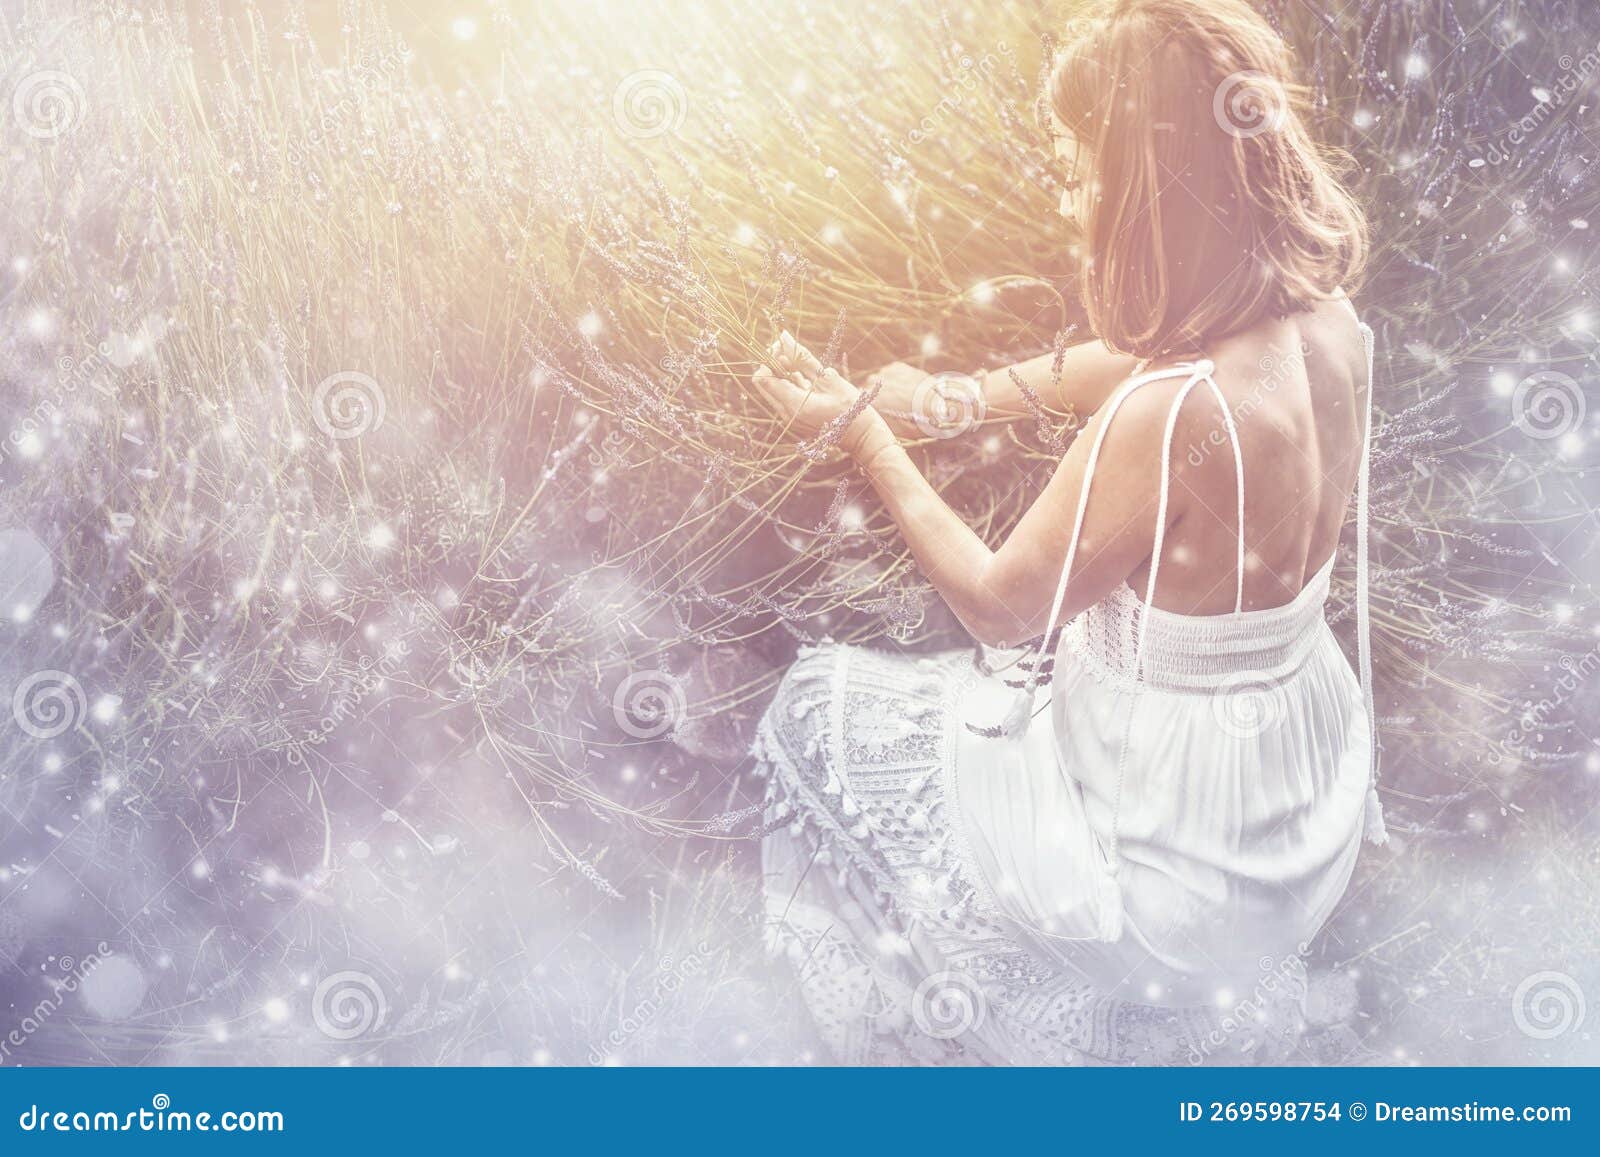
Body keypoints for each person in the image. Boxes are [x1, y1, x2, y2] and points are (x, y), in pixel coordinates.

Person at [750, 0, 1382, 1065]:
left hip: (1176, 868)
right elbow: (1151, 360)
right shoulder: (1331, 327)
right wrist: (949, 399)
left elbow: (1000, 602)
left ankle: (948, 1053)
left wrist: (866, 436)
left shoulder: (1169, 416)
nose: (1070, 194)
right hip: (1295, 801)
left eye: (1082, 168)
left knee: (814, 706)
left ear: (1150, 189)